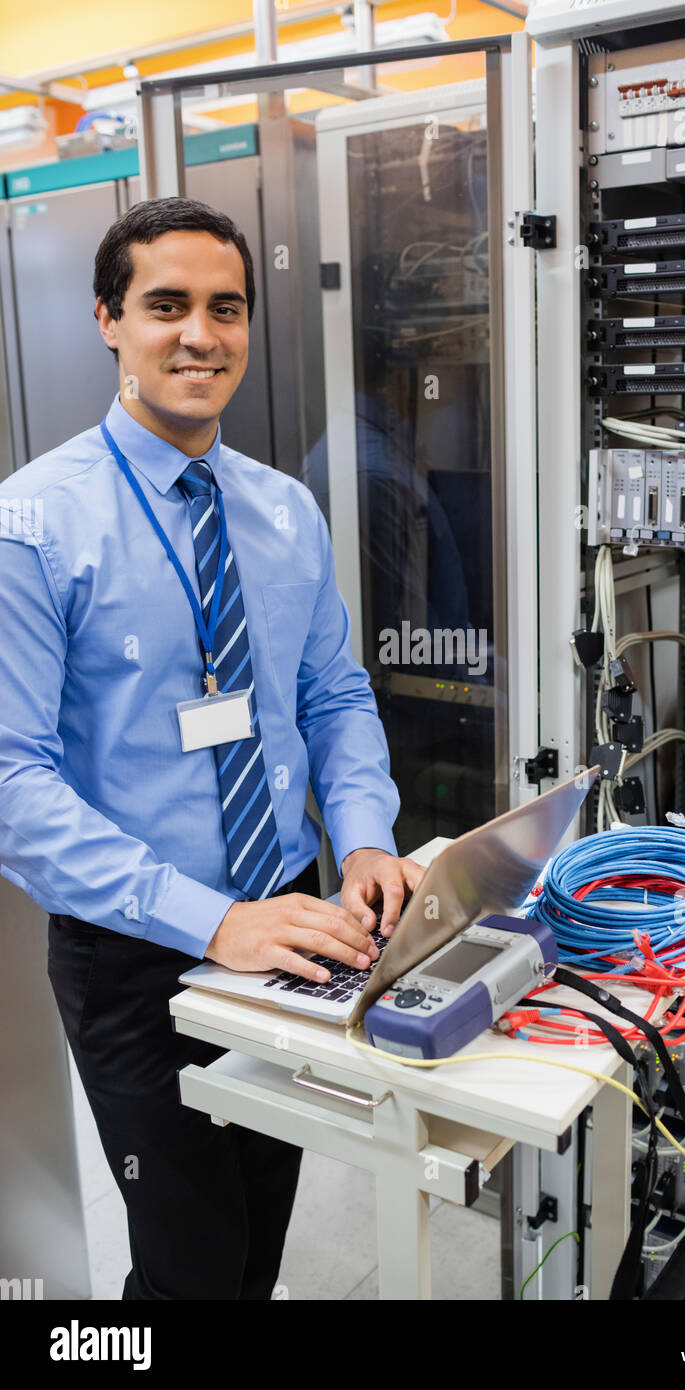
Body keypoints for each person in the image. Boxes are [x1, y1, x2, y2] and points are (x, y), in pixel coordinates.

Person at [0, 196, 423, 1300]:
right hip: (135, 950)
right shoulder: (34, 527)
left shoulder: (283, 511)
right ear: (108, 319)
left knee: (257, 1234)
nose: (201, 334)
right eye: (166, 305)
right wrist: (213, 922)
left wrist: (368, 838)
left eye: (224, 308)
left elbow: (330, 693)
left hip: (290, 918)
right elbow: (11, 787)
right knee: (189, 1260)